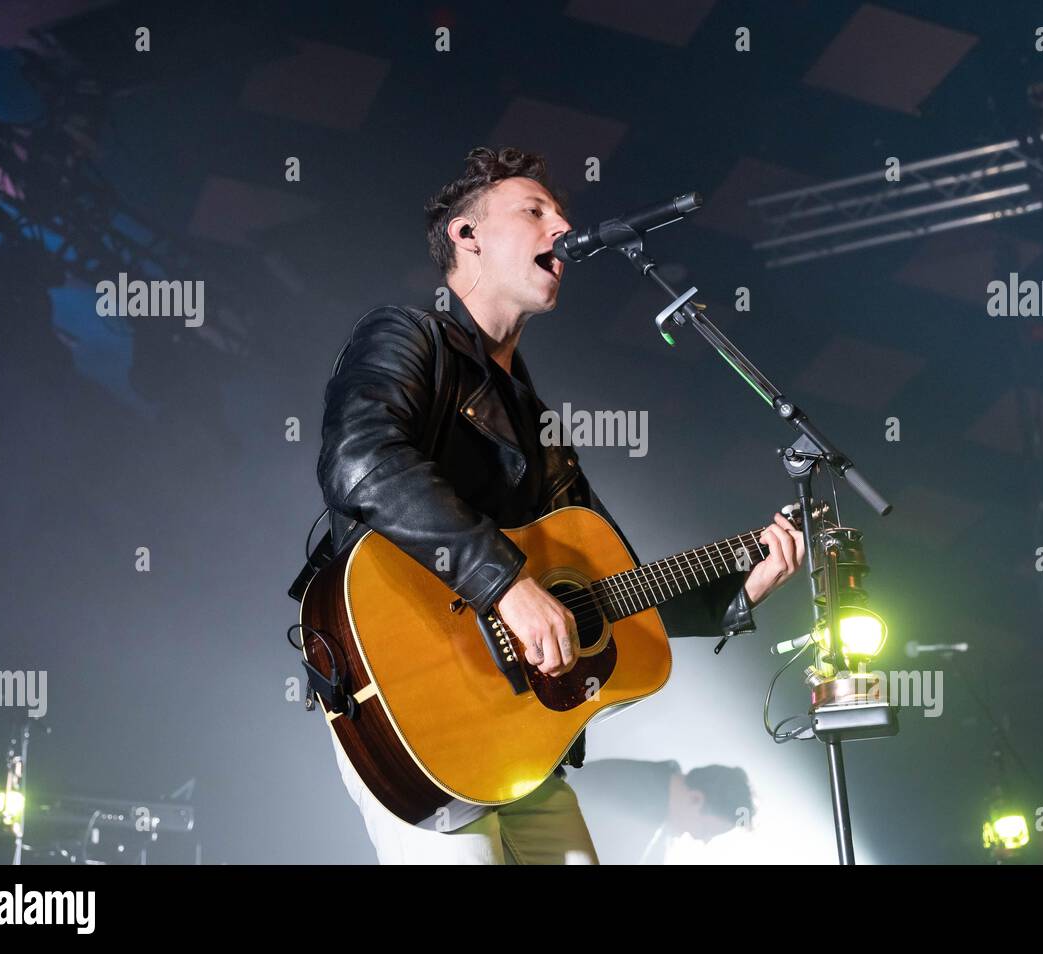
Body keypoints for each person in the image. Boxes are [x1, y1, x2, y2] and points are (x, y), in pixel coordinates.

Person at [316, 146, 805, 863]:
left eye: (561, 213)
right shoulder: (407, 334)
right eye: (534, 210)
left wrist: (736, 589)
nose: (563, 226)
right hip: (417, 712)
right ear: (467, 235)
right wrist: (504, 583)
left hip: (528, 738)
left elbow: (610, 594)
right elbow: (360, 460)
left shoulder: (534, 419)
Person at [564, 759, 754, 864]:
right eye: (706, 831)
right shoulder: (637, 805)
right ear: (695, 799)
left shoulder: (654, 791)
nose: (702, 839)